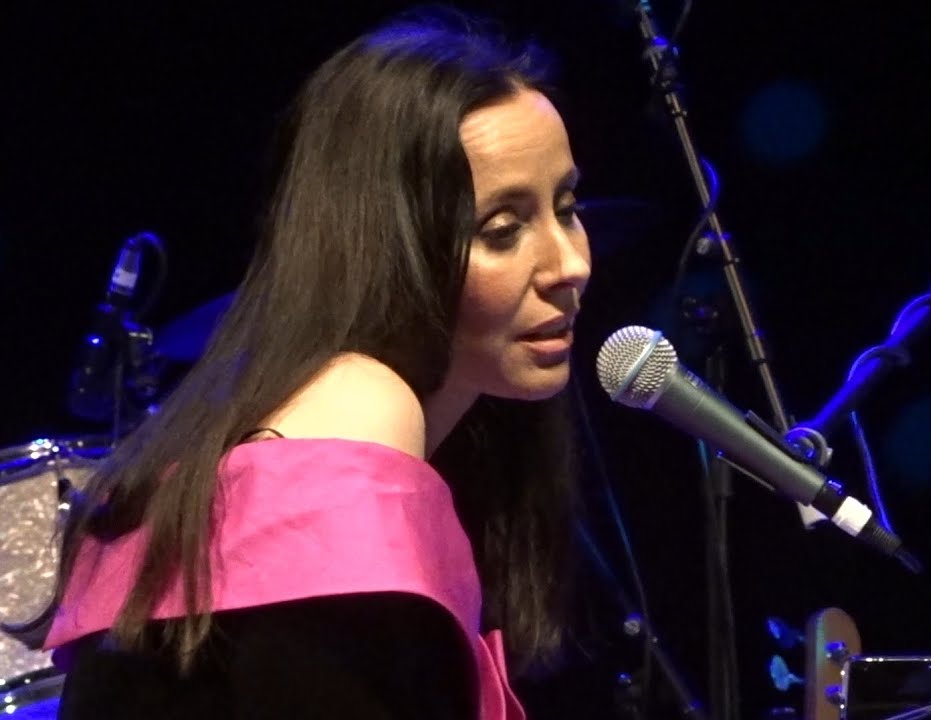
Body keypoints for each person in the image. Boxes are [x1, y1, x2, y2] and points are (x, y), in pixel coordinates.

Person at [44, 5, 590, 719]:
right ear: (388, 245)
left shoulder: (274, 433)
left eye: (568, 206)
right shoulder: (359, 421)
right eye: (502, 229)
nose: (571, 262)